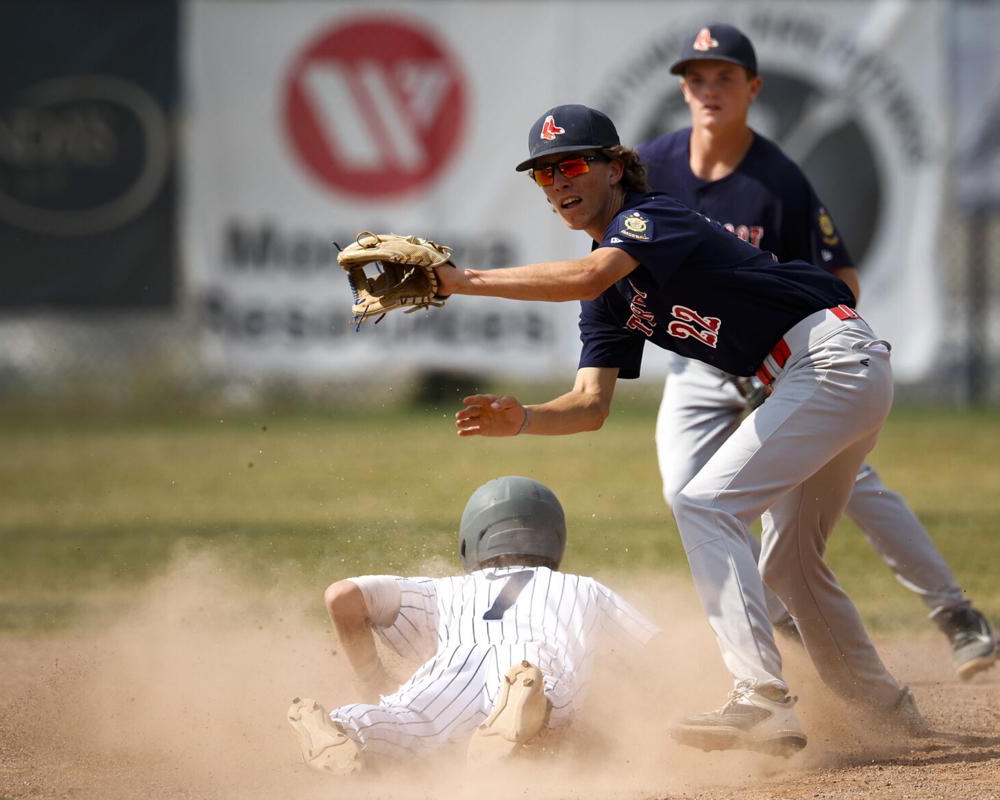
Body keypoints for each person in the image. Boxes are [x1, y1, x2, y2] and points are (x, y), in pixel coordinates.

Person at [432, 103, 921, 755]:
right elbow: (589, 404)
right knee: (790, 566)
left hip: (829, 360)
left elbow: (588, 270)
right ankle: (885, 712)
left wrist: (464, 282)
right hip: (827, 376)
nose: (557, 183)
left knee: (704, 500)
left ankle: (763, 699)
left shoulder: (647, 217)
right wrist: (524, 418)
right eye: (543, 175)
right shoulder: (603, 300)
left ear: (615, 167)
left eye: (572, 164)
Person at [638, 21, 996, 683]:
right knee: (687, 493)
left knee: (854, 481)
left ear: (753, 87)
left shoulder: (779, 181)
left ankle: (956, 613)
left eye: (723, 77)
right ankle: (777, 619)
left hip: (780, 359)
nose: (709, 90)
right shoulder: (652, 167)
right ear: (683, 91)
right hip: (699, 362)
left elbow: (843, 283)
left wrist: (782, 356)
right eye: (696, 79)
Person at [286, 476, 659, 774]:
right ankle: (529, 708)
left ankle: (344, 726)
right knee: (552, 700)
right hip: (531, 666)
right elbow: (657, 653)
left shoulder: (447, 589)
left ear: (471, 540)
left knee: (410, 722)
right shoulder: (582, 588)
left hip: (454, 668)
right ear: (555, 539)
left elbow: (341, 595)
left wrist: (372, 678)